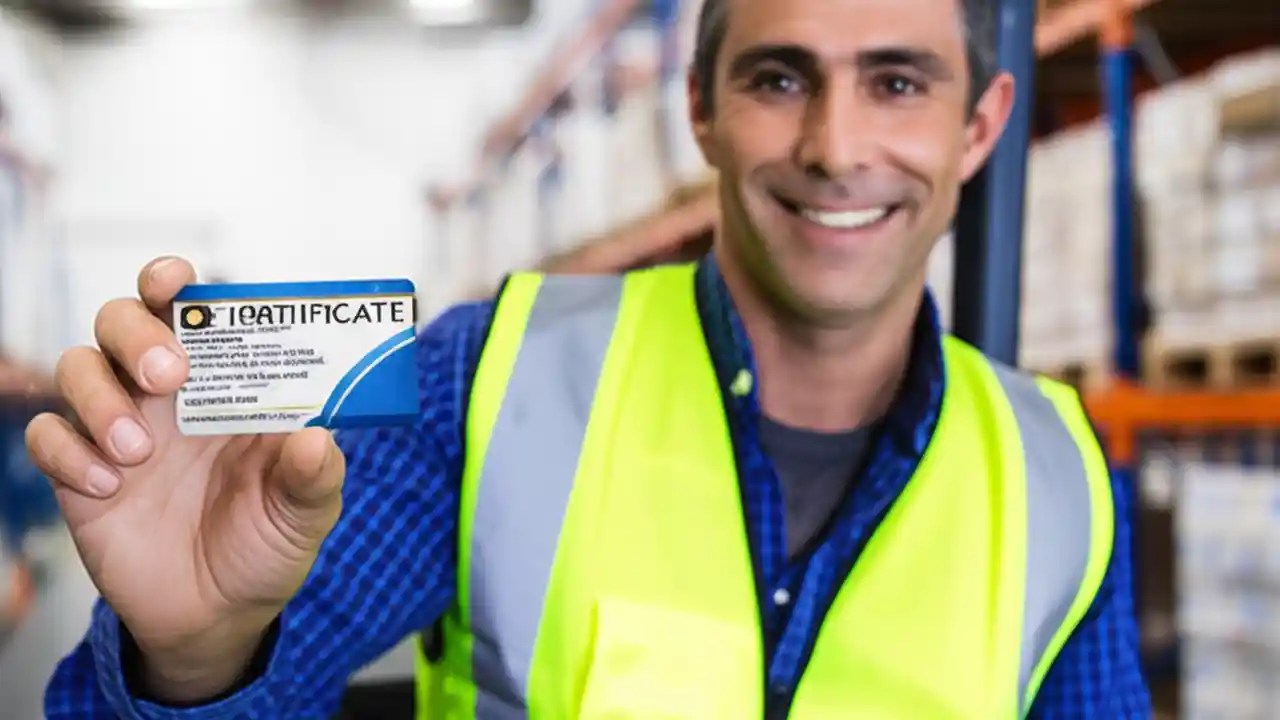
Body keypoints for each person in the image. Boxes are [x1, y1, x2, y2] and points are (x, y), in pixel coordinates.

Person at [32, 0, 1151, 716]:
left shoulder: (1058, 477)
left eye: (896, 83)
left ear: (980, 125)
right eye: (777, 79)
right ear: (700, 112)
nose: (834, 147)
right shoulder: (490, 380)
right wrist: (194, 660)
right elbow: (257, 669)